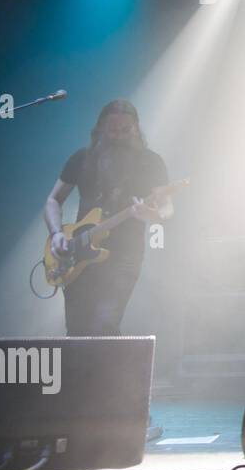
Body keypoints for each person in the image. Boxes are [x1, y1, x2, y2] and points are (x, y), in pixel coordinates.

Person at [44, 99, 173, 336]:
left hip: (124, 255)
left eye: (127, 130)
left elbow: (166, 210)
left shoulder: (151, 162)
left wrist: (151, 214)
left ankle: (114, 373)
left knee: (105, 323)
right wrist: (56, 234)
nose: (120, 136)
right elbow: (53, 200)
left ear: (136, 128)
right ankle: (80, 374)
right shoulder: (82, 158)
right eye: (113, 130)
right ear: (100, 129)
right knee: (77, 329)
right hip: (79, 252)